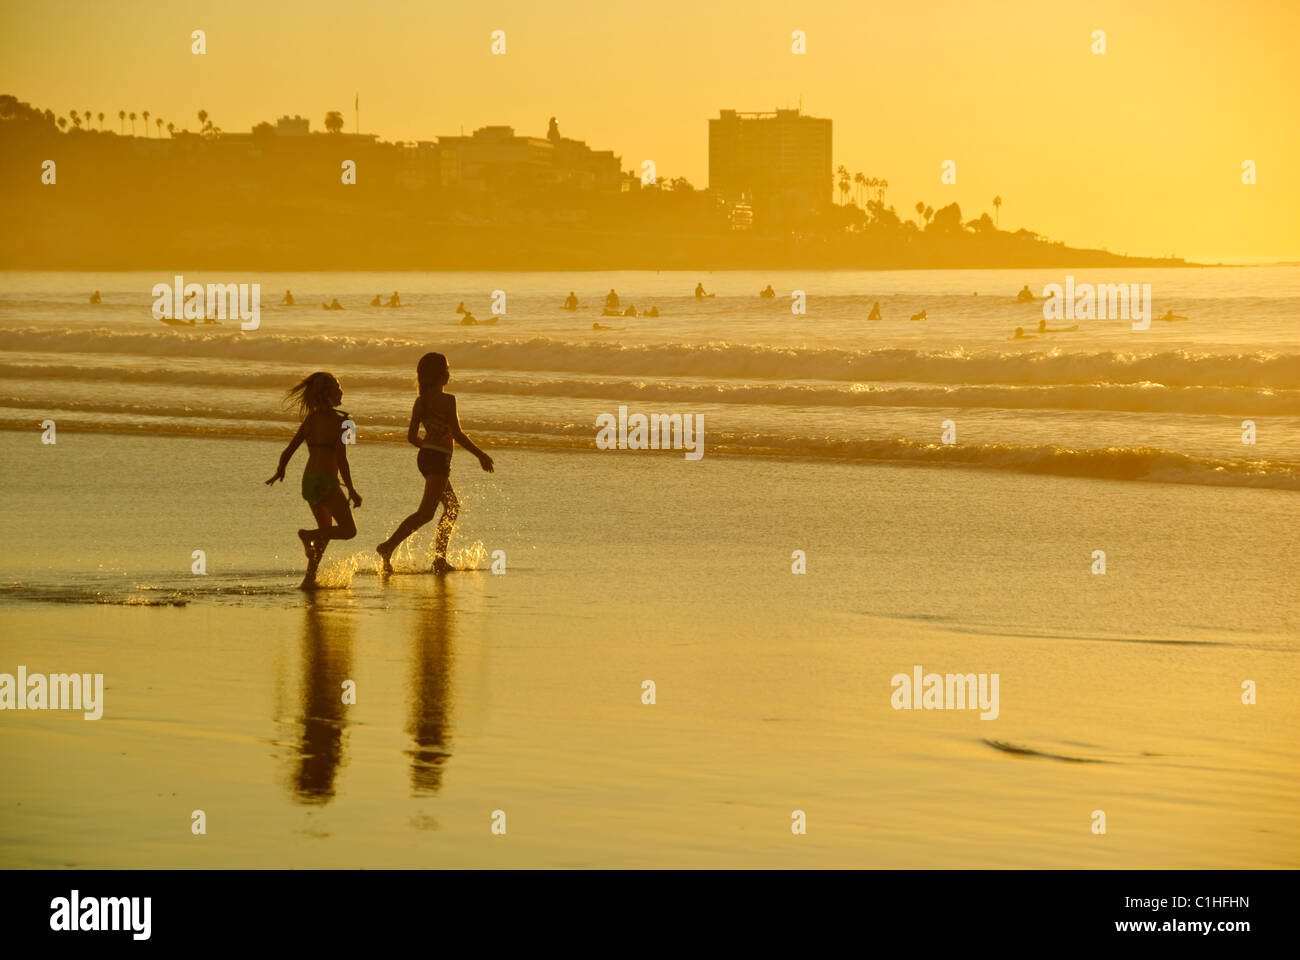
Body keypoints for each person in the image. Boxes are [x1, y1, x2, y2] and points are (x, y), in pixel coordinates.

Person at [376, 353, 494, 575]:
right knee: (426, 513)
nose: (450, 374)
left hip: (426, 458)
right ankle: (388, 547)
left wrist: (428, 448)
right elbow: (457, 435)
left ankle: (439, 559)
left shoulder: (420, 402)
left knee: (451, 507)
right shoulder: (448, 400)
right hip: (439, 460)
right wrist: (480, 455)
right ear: (442, 376)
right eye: (448, 370)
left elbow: (412, 437)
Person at [265, 372, 361, 589]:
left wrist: (281, 470)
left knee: (325, 533)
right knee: (348, 531)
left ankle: (309, 579)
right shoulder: (345, 422)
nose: (341, 391)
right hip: (327, 482)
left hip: (308, 481)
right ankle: (306, 534)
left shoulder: (311, 419)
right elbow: (343, 460)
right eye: (337, 388)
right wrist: (352, 490)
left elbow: (288, 449)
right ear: (327, 393)